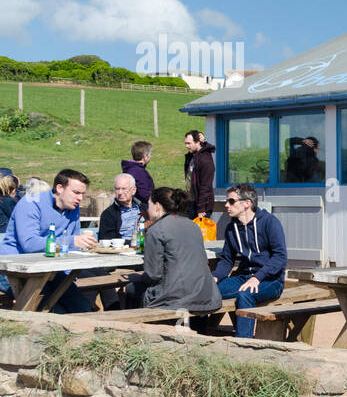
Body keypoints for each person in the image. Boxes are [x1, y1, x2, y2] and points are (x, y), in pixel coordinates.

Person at [0, 169, 98, 313]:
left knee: (83, 308)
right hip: (15, 270)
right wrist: (72, 241)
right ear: (59, 188)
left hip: (51, 270)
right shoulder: (30, 203)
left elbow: (72, 247)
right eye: (76, 192)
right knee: (55, 313)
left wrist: (70, 273)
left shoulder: (73, 208)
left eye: (82, 194)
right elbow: (29, 244)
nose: (80, 198)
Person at [123, 187, 223, 313]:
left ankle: (131, 329)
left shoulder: (156, 230)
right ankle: (198, 328)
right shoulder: (193, 225)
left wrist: (138, 277)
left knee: (131, 288)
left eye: (149, 205)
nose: (147, 209)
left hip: (175, 298)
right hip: (207, 294)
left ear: (157, 206)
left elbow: (153, 275)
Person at [211, 184, 287, 338]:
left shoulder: (269, 222)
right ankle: (197, 334)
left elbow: (280, 257)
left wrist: (258, 277)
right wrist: (215, 277)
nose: (226, 205)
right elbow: (227, 259)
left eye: (231, 201)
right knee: (207, 290)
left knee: (245, 295)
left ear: (246, 203)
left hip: (270, 280)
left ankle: (243, 344)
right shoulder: (231, 228)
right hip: (243, 277)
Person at [97, 173, 147, 242]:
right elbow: (107, 239)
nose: (120, 192)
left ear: (133, 190)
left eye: (124, 189)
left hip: (146, 247)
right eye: (117, 189)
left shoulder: (144, 208)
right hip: (124, 249)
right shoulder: (108, 214)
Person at [183, 130, 216, 220]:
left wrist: (201, 208)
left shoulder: (205, 160)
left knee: (201, 233)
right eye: (186, 143)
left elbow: (205, 186)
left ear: (197, 142)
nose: (186, 146)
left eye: (189, 143)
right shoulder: (193, 157)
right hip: (192, 203)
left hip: (202, 207)